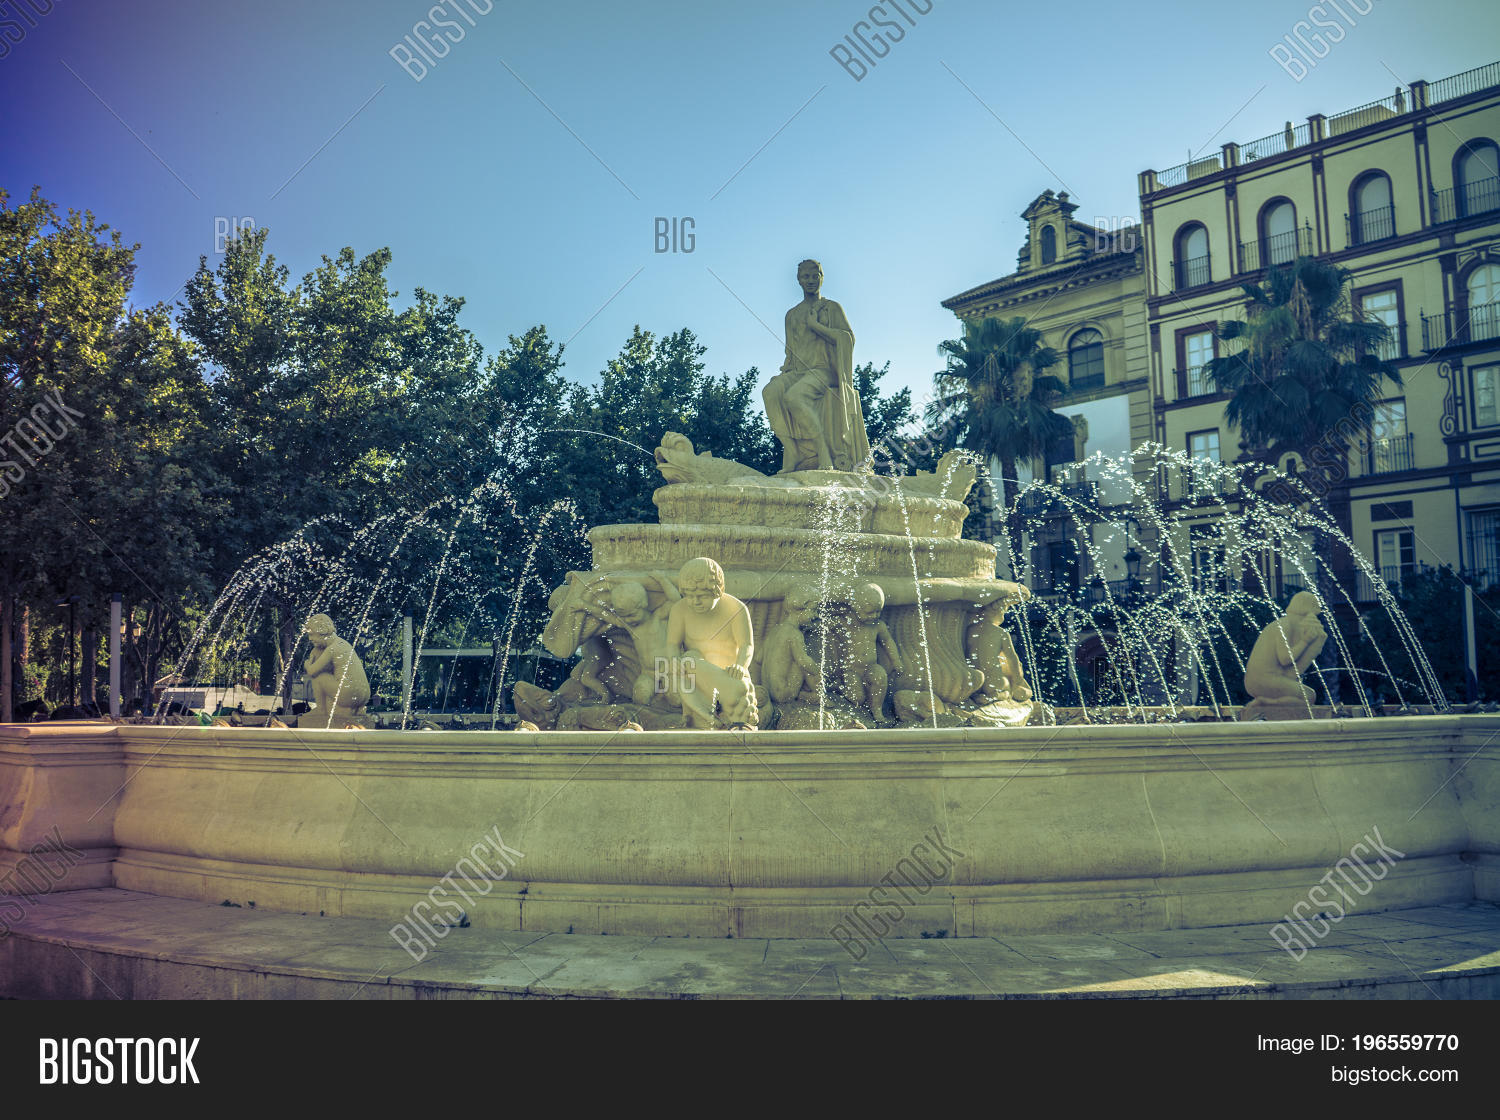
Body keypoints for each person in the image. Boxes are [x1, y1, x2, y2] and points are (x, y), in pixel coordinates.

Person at [762, 259, 871, 474]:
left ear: (822, 278)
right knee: (770, 392)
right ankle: (792, 451)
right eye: (806, 277)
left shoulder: (832, 308)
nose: (811, 280)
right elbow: (791, 351)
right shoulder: (791, 315)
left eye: (815, 276)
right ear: (799, 280)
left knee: (794, 397)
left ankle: (823, 450)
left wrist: (816, 327)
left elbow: (847, 340)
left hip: (825, 371)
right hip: (798, 372)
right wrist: (784, 373)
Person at [664, 557, 757, 729]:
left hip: (729, 678)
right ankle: (702, 715)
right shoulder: (679, 610)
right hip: (696, 679)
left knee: (735, 689)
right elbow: (672, 645)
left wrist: (740, 666)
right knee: (687, 660)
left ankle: (719, 717)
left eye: (702, 596)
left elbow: (747, 645)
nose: (695, 601)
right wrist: (673, 659)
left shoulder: (736, 609)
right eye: (689, 596)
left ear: (718, 590)